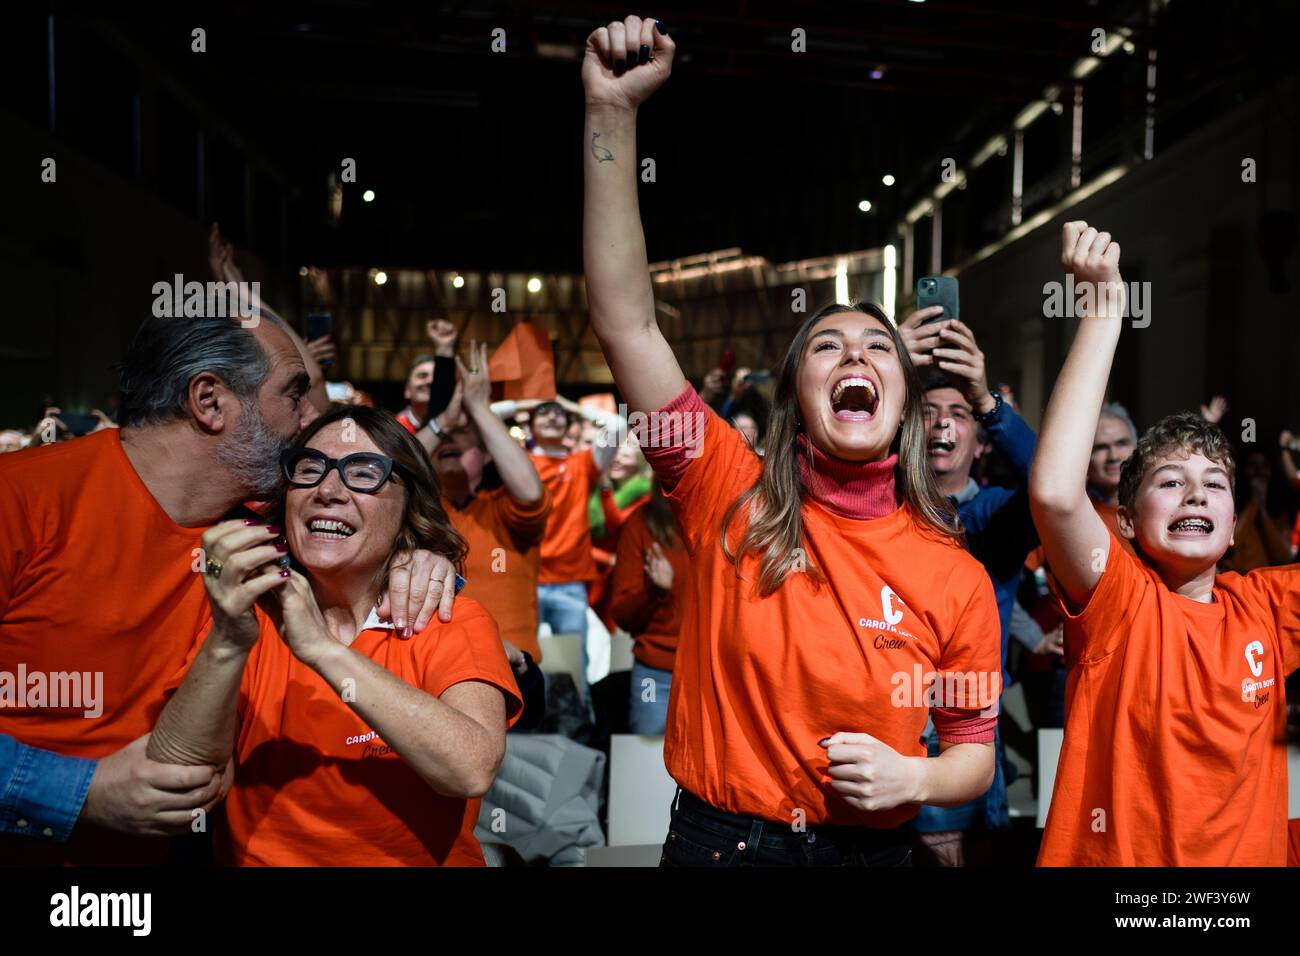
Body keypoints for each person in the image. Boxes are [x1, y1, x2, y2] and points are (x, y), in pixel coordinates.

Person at [582, 16, 999, 867]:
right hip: (721, 843)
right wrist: (611, 117)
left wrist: (915, 781)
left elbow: (973, 751)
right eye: (828, 345)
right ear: (796, 400)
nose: (855, 353)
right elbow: (626, 323)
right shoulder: (721, 489)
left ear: (909, 404)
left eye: (879, 346)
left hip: (871, 852)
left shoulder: (952, 571)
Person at [0, 313, 460, 866]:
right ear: (210, 401)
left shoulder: (266, 536)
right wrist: (81, 794)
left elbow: (367, 563)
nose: (312, 418)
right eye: (294, 394)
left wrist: (419, 561)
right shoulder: (22, 499)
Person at [1031, 221, 1299, 865]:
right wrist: (1103, 312)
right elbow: (1057, 495)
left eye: (1214, 484)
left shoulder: (1266, 605)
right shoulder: (1119, 602)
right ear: (1124, 522)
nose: (1196, 495)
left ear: (1234, 527)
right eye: (1170, 482)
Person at [148, 406, 522, 865]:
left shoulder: (448, 617)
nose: (328, 490)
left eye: (363, 473)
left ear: (410, 507)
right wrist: (227, 640)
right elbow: (179, 782)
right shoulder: (245, 620)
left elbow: (471, 769)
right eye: (309, 469)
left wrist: (322, 650)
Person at [896, 310, 1042, 863]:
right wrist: (891, 370)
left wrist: (989, 402)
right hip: (884, 722)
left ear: (979, 443)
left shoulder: (994, 517)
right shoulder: (879, 513)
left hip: (965, 727)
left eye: (958, 415)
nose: (941, 425)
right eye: (927, 414)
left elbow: (1052, 483)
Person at [429, 341, 552, 666]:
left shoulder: (503, 509)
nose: (451, 438)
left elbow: (530, 491)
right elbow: (388, 469)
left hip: (511, 667)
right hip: (435, 666)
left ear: (486, 456)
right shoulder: (422, 512)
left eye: (464, 434)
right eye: (445, 437)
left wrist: (479, 408)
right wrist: (440, 423)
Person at [522, 395, 626, 701]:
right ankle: (523, 732)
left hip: (570, 583)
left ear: (569, 423)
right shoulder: (519, 462)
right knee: (522, 664)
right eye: (543, 414)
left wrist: (571, 406)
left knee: (577, 666)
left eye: (558, 414)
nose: (552, 417)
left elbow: (618, 425)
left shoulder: (582, 464)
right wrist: (522, 406)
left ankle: (580, 730)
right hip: (526, 582)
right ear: (529, 425)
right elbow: (484, 418)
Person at [609, 480, 690, 734]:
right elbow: (622, 614)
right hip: (657, 675)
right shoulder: (641, 524)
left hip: (718, 670)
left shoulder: (730, 516)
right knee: (647, 766)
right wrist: (655, 591)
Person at [396, 319, 460, 438]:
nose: (430, 381)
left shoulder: (459, 428)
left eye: (435, 378)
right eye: (422, 376)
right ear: (407, 390)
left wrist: (445, 348)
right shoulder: (392, 430)